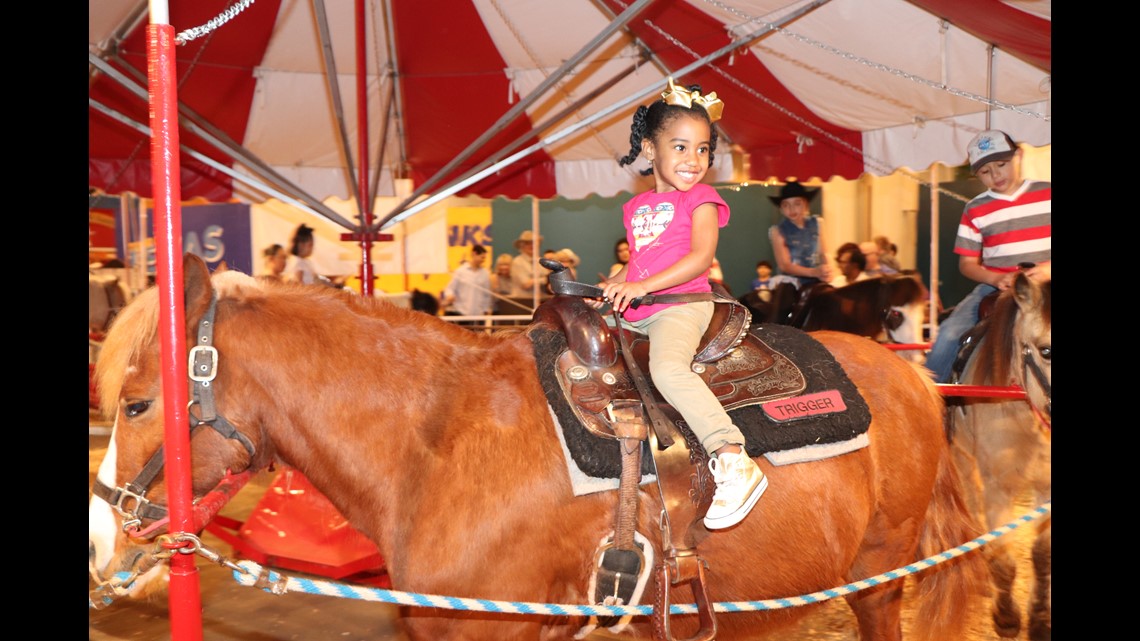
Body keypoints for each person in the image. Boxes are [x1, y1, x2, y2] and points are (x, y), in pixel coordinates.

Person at [589, 77, 766, 531]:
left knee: (668, 370)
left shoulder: (702, 199)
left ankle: (732, 457)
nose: (694, 160)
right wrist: (609, 285)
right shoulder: (636, 208)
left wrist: (641, 287)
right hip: (642, 309)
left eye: (703, 149)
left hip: (681, 304)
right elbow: (639, 263)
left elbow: (697, 259)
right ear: (650, 149)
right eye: (681, 147)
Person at [924, 129, 1051, 383]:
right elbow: (967, 263)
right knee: (949, 334)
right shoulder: (975, 208)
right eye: (985, 171)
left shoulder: (1047, 193)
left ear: (1019, 156)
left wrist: (1049, 267)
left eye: (1001, 164)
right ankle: (933, 397)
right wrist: (994, 278)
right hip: (996, 286)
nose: (995, 175)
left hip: (1046, 281)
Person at [768, 181, 833, 290]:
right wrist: (814, 272)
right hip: (792, 283)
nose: (791, 209)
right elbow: (785, 265)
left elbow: (824, 253)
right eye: (786, 205)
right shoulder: (778, 231)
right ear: (781, 209)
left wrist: (826, 270)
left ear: (806, 205)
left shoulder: (817, 223)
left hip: (817, 279)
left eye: (797, 203)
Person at [440, 245, 493, 327]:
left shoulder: (485, 273)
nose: (483, 260)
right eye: (482, 257)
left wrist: (486, 309)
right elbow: (450, 288)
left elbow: (486, 294)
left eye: (484, 258)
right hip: (461, 313)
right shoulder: (460, 271)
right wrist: (449, 295)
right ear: (474, 254)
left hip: (478, 315)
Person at [286, 223, 343, 287]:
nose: (312, 248)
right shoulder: (297, 263)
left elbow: (315, 279)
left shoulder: (305, 262)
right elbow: (299, 285)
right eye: (310, 245)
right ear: (301, 245)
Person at [509, 230, 548, 298]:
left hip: (540, 300)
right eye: (527, 243)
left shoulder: (541, 261)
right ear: (522, 246)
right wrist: (544, 279)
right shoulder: (517, 262)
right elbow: (526, 285)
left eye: (534, 243)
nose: (531, 246)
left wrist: (535, 280)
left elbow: (549, 278)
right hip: (522, 301)